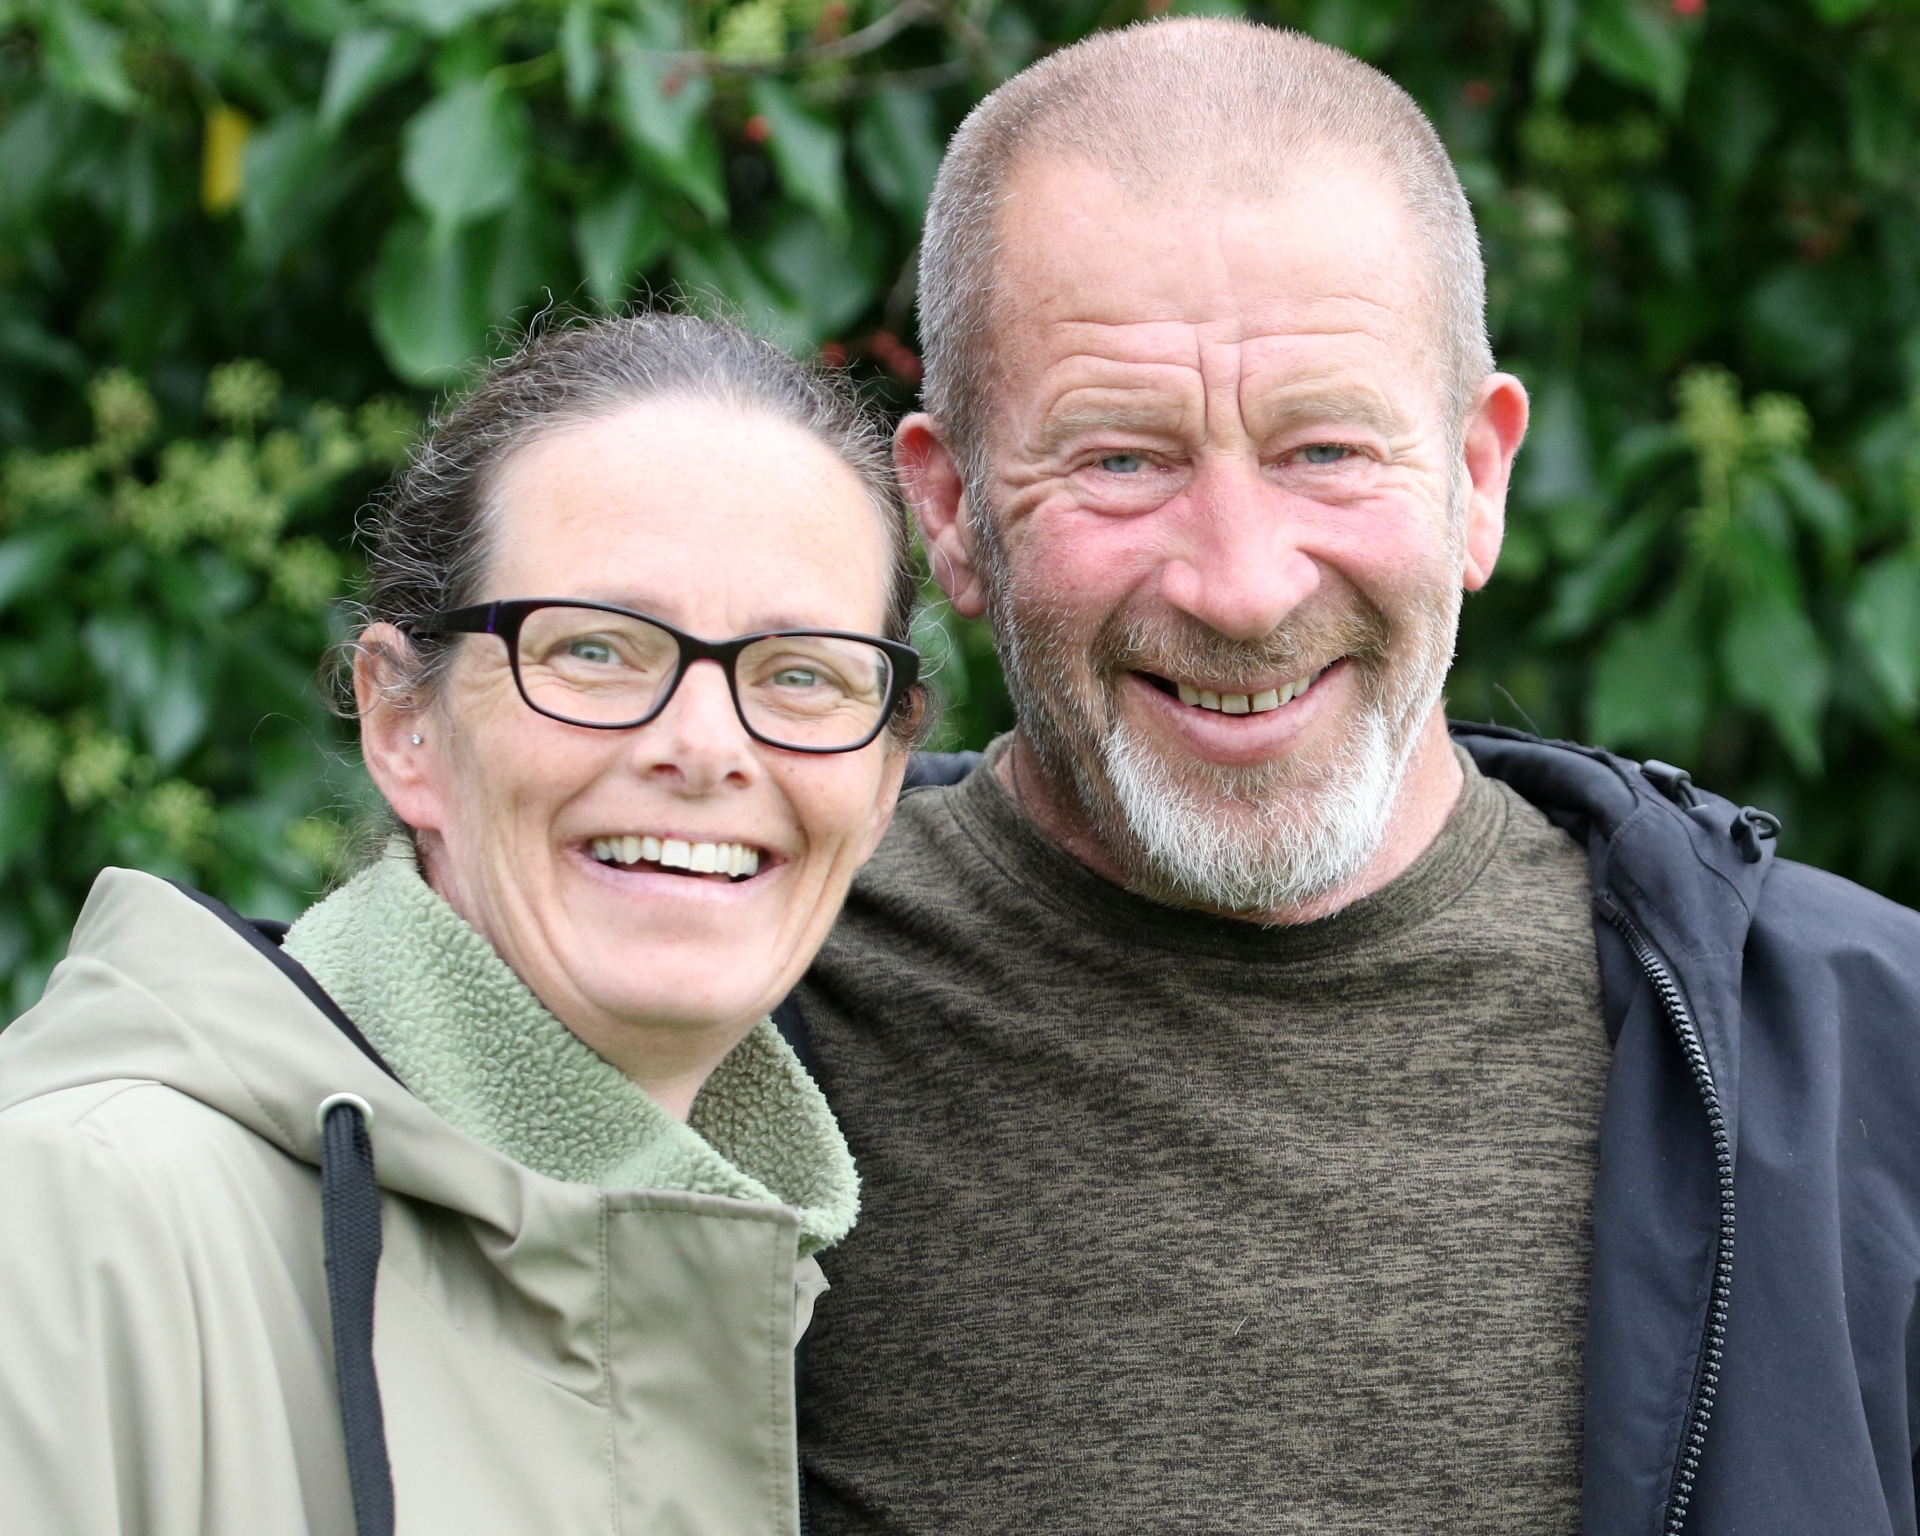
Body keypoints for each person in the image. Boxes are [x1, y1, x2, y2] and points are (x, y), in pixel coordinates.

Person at [791, 20, 1920, 1536]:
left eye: (1326, 449)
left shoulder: (1862, 1054)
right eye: (1122, 459)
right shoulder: (742, 1010)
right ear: (946, 510)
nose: (1244, 588)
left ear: (1478, 478)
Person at [0, 313, 924, 1536]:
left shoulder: (786, 1286)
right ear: (403, 726)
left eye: (802, 672)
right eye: (594, 649)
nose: (706, 748)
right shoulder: (70, 1227)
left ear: (885, 779)